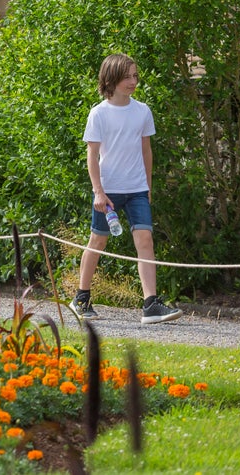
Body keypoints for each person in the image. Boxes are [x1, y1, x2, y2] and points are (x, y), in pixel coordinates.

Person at [70, 53, 181, 324]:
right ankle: (81, 299)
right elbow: (91, 156)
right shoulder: (98, 113)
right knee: (98, 241)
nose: (133, 81)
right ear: (112, 79)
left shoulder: (142, 111)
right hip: (108, 192)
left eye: (135, 76)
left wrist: (148, 186)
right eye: (127, 77)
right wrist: (98, 191)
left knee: (145, 240)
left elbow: (146, 150)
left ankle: (150, 304)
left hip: (137, 189)